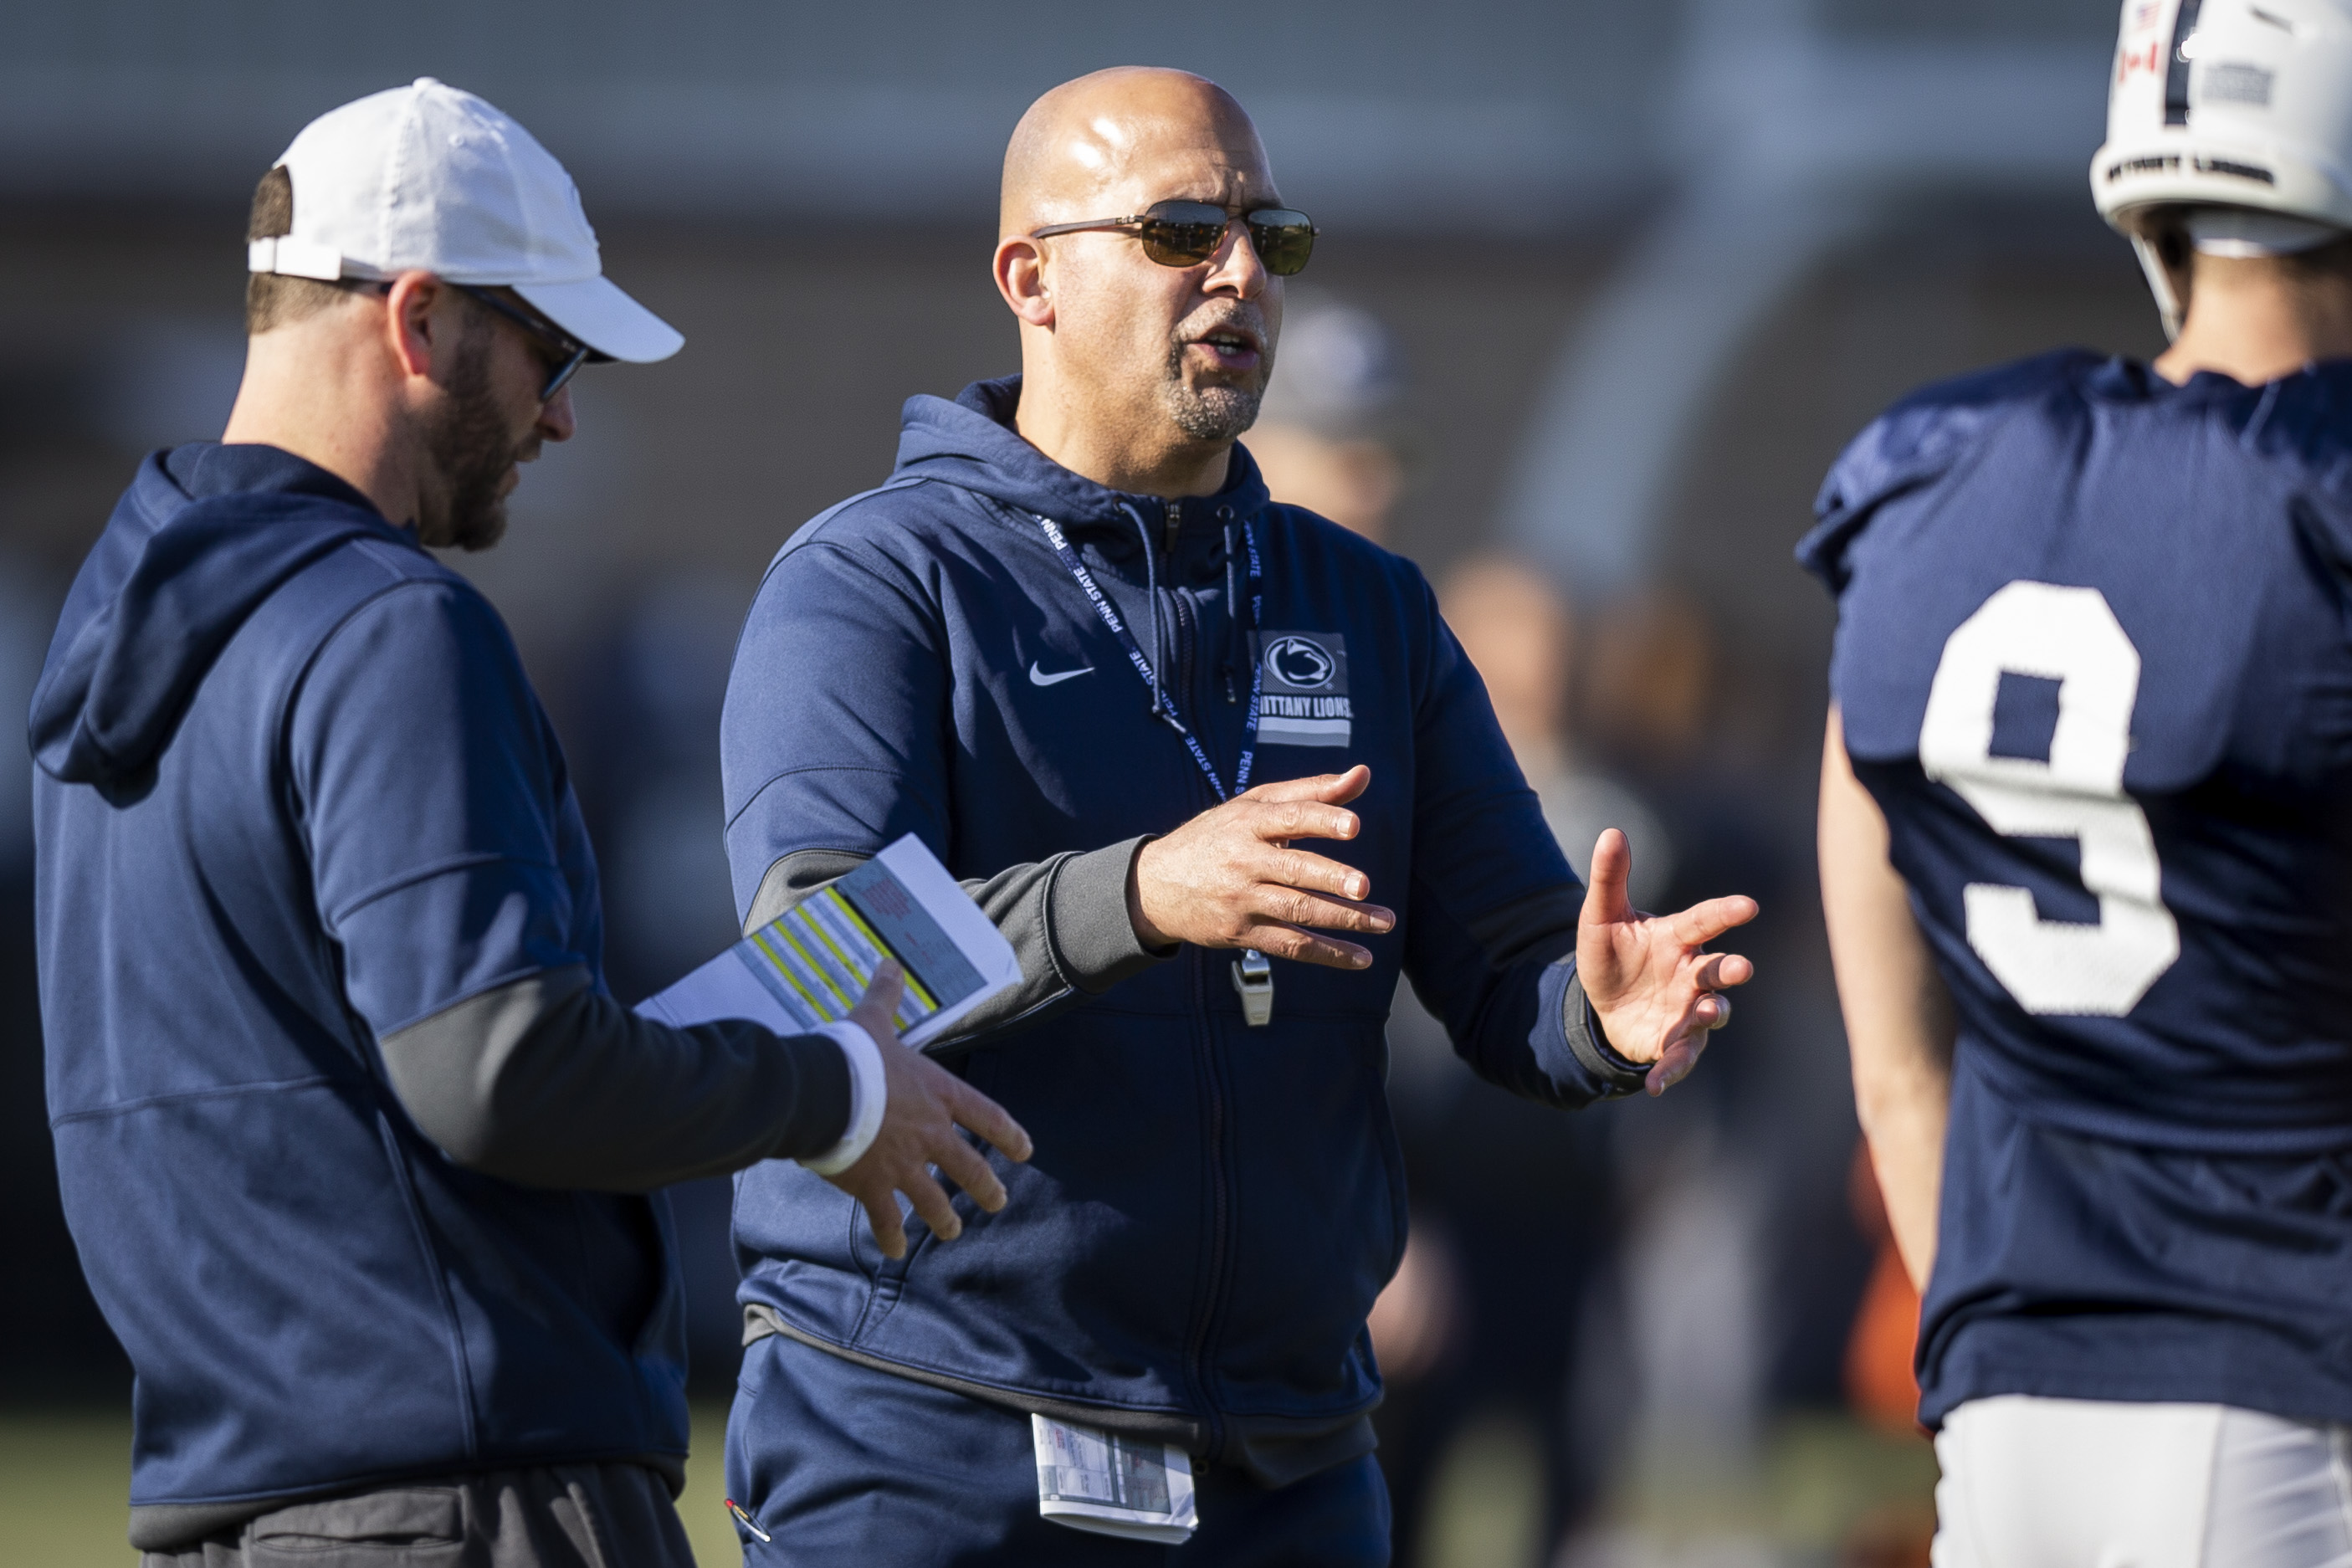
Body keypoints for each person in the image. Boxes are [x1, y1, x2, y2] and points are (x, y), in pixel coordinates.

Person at [718, 66, 1758, 1565]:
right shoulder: (877, 581)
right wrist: (1140, 895)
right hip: (936, 1430)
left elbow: (1507, 963)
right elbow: (821, 960)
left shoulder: (1367, 604)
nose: (1243, 272)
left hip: (1286, 1455)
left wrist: (1592, 1008)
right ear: (1033, 278)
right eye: (1182, 230)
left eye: (1271, 233)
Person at [29, 79, 1025, 1568]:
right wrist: (832, 1089)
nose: (561, 412)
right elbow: (497, 1069)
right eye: (549, 352)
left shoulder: (112, 639)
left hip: (234, 1512)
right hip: (467, 1499)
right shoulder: (384, 628)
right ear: (419, 320)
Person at [1806, 3, 2352, 1559]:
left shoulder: (1925, 480)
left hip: (2008, 1378)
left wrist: (1988, 1331)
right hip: (2291, 1373)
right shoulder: (2324, 500)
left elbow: (1896, 1066)